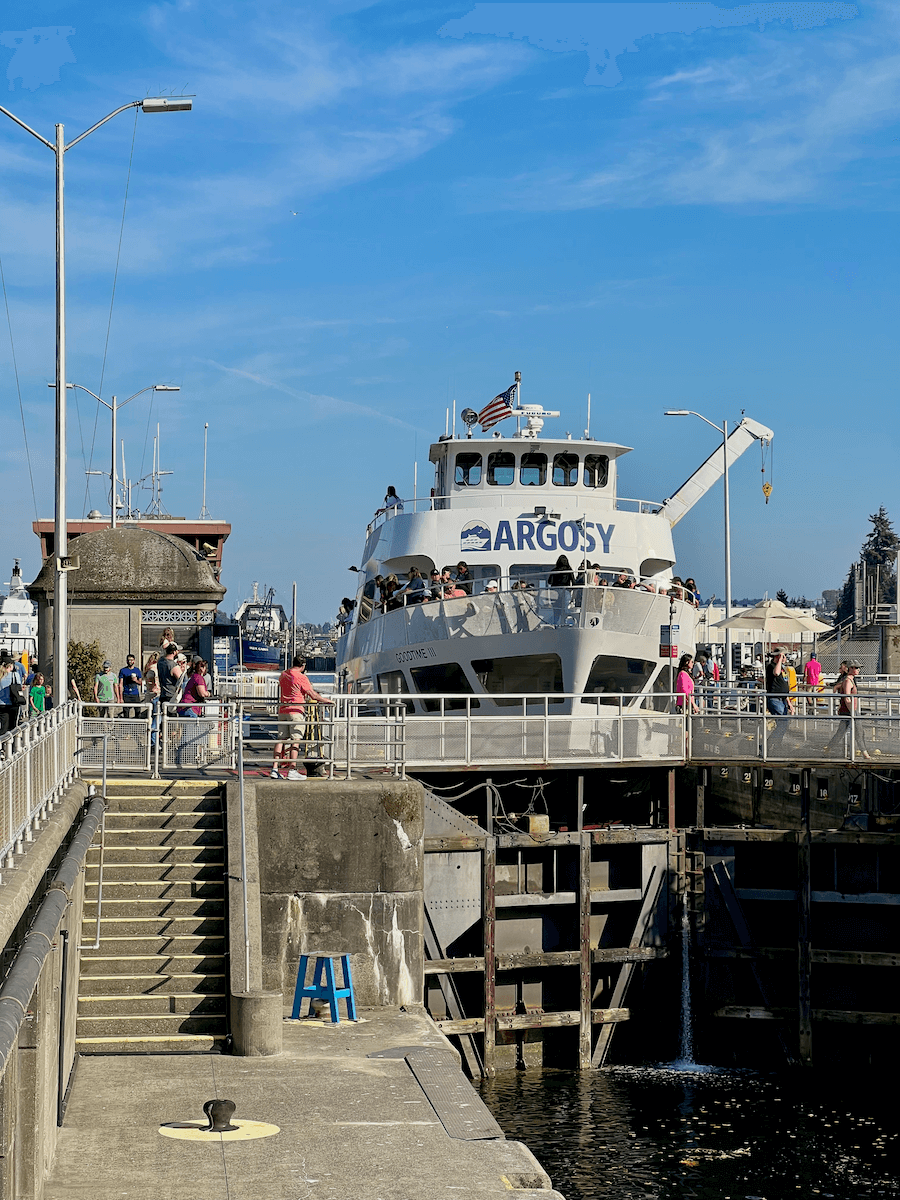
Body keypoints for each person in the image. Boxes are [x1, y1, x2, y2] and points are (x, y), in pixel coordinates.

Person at [271, 655, 334, 780]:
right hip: (296, 711)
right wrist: (326, 700)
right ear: (303, 666)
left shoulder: (283, 674)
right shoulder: (301, 677)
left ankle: (274, 769)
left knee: (281, 739)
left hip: (283, 709)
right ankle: (292, 770)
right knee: (296, 740)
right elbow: (312, 694)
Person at [829, 660, 869, 759]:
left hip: (849, 710)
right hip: (849, 711)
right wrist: (852, 712)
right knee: (859, 732)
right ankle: (865, 754)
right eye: (856, 668)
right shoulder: (847, 681)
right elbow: (847, 697)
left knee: (842, 732)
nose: (858, 670)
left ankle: (828, 748)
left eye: (858, 668)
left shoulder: (850, 680)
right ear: (850, 669)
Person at [118, 654, 143, 719]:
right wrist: (120, 697)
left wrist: (136, 680)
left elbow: (141, 683)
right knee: (126, 713)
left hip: (135, 694)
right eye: (129, 660)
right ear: (126, 661)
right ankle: (126, 727)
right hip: (126, 694)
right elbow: (120, 684)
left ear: (134, 661)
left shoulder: (137, 670)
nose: (130, 661)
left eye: (131, 660)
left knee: (138, 712)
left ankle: (137, 727)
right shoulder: (123, 670)